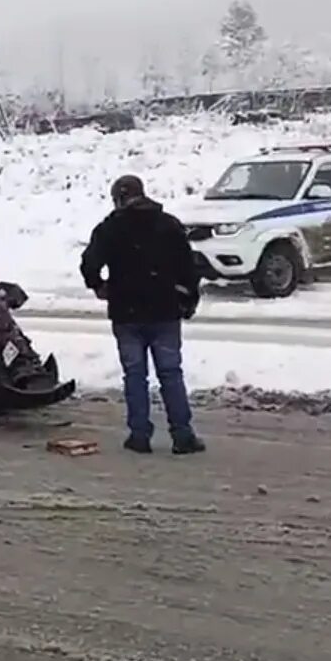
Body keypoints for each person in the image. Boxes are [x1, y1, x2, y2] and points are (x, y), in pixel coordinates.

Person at [79, 174, 207, 456]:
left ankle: (139, 436)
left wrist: (99, 286)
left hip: (126, 312)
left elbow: (89, 263)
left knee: (135, 375)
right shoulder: (168, 224)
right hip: (164, 310)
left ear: (119, 199)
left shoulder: (110, 228)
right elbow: (189, 266)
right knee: (171, 373)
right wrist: (188, 298)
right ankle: (182, 436)